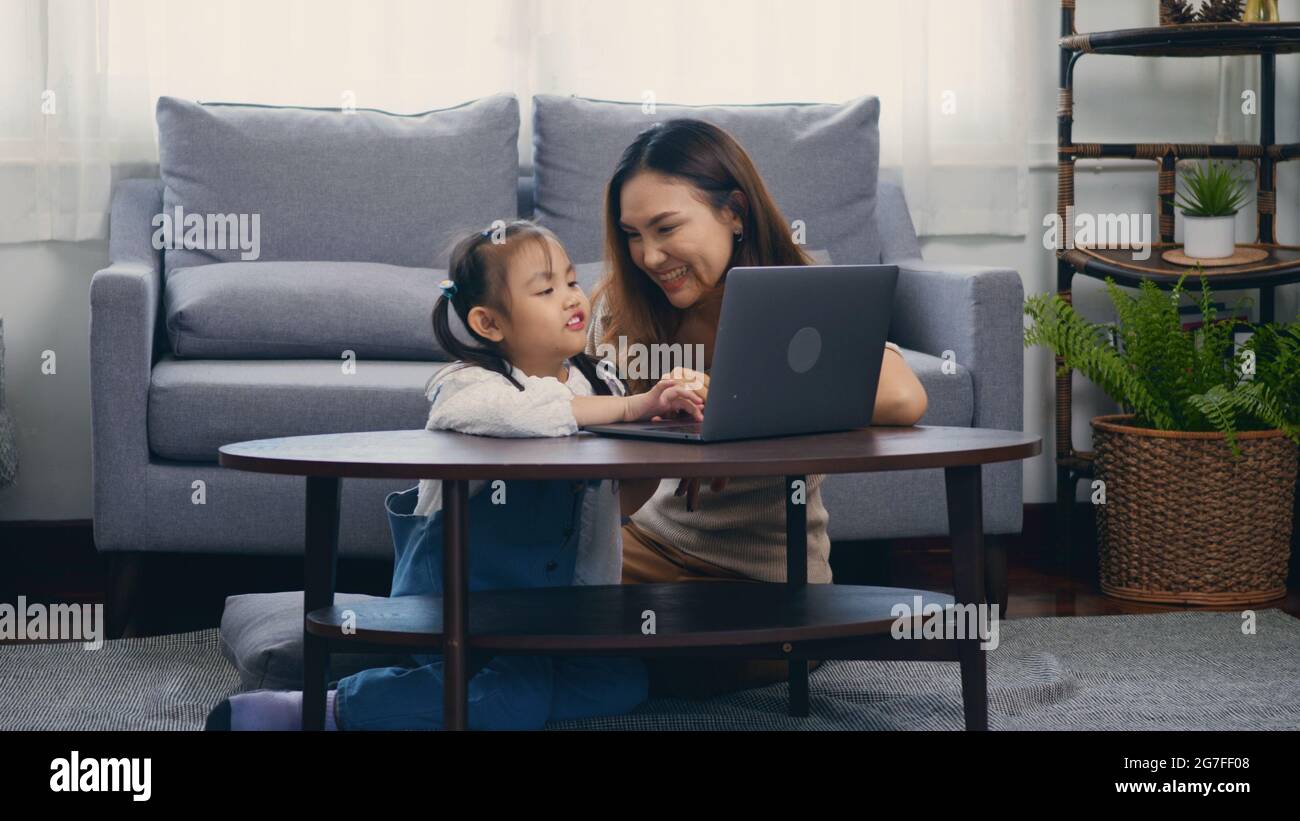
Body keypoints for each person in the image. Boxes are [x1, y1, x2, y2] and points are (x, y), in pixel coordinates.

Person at [206, 220, 703, 730]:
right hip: (460, 609)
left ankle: (449, 694)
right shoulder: (469, 386)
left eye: (573, 282)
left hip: (551, 613)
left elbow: (613, 503)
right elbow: (524, 415)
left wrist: (665, 448)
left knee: (621, 684)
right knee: (512, 699)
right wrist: (629, 409)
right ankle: (324, 710)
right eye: (546, 289)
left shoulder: (600, 382)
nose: (571, 298)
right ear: (489, 324)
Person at [587, 118, 929, 699]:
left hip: (762, 576)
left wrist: (724, 404)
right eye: (633, 234)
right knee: (517, 601)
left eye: (667, 227)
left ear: (735, 212)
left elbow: (903, 396)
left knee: (690, 655)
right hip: (645, 550)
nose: (648, 255)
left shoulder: (799, 293)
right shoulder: (624, 311)